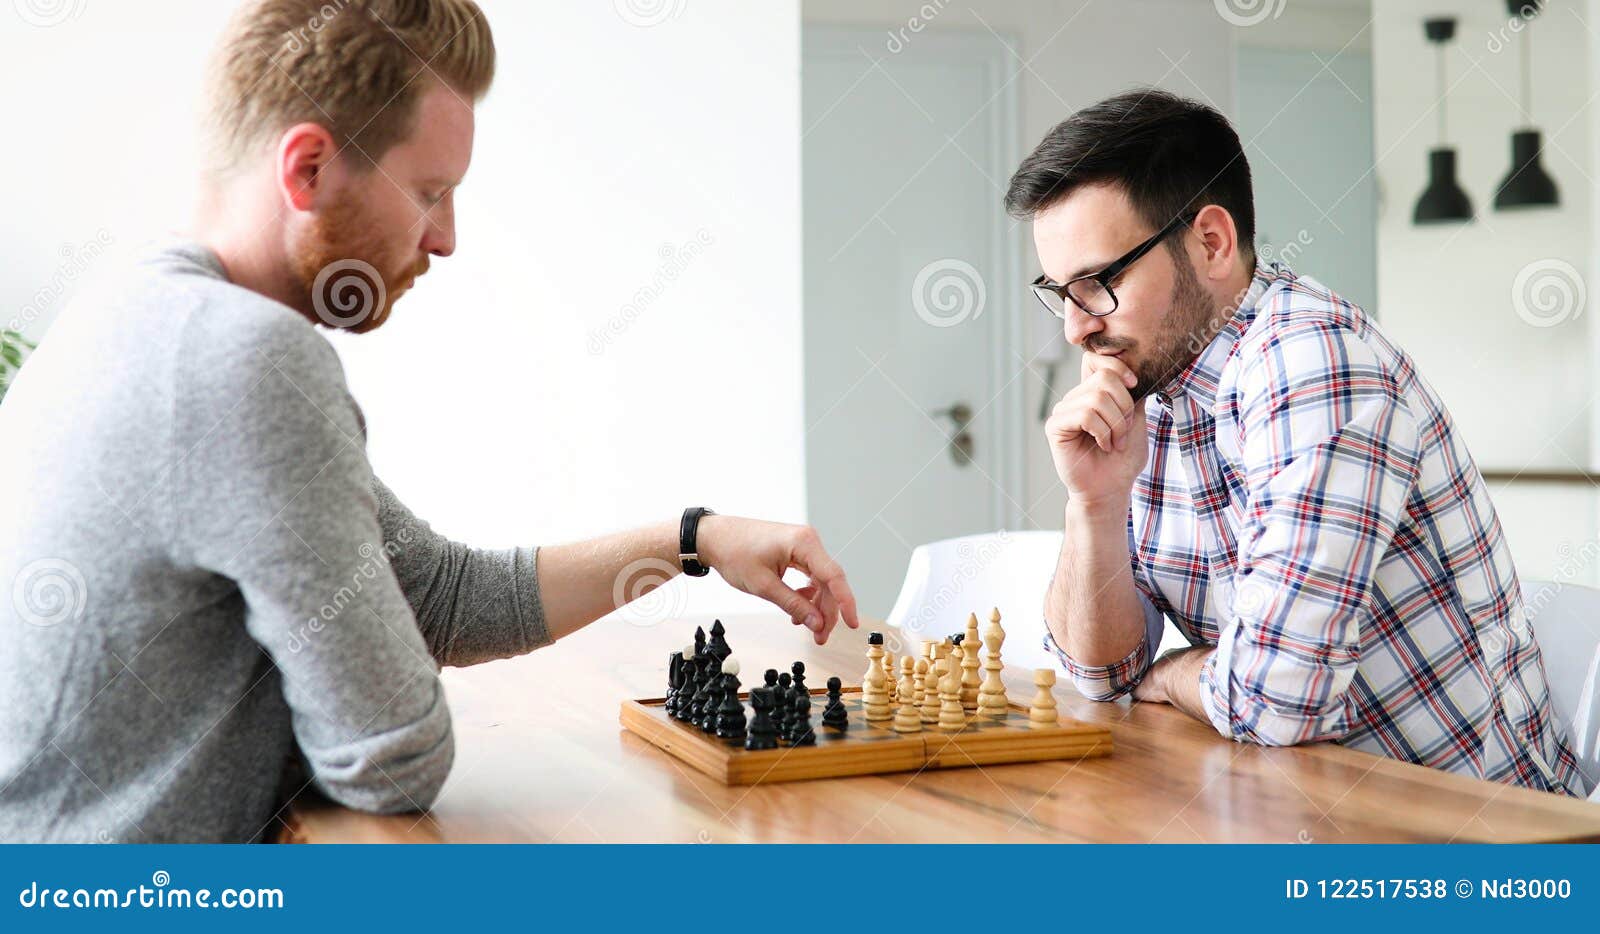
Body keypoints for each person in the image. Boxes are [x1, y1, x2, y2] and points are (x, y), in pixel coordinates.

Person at [0, 0, 857, 843]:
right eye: (429, 191)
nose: (445, 239)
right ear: (307, 170)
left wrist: (693, 539)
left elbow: (438, 598)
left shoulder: (139, 318)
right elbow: (394, 758)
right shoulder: (241, 359)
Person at [1010, 88, 1582, 795]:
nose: (1075, 328)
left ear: (1211, 243)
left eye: (1099, 283)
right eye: (1060, 291)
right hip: (1301, 815)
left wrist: (1175, 670)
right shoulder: (1151, 385)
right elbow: (1099, 674)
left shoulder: (1312, 366)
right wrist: (1092, 503)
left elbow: (1273, 703)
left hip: (1474, 845)